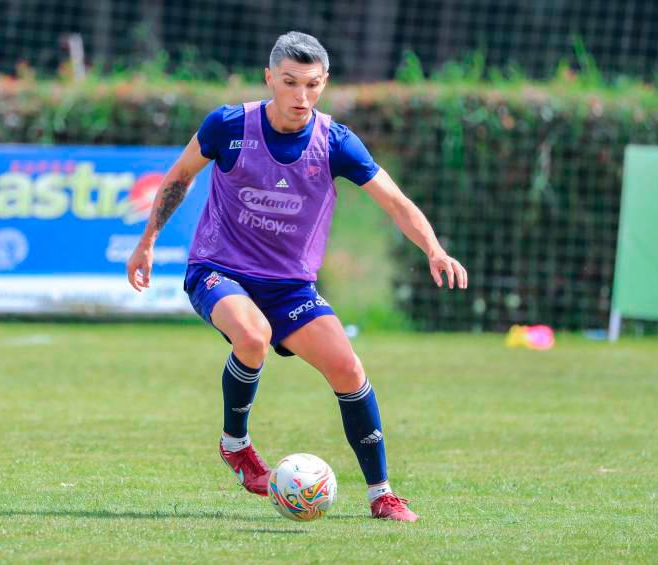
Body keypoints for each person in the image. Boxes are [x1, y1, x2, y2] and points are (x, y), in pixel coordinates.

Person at [127, 31, 467, 522]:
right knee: (252, 337)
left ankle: (382, 494)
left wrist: (434, 248)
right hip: (218, 269)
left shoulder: (336, 142)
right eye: (290, 82)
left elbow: (394, 202)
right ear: (270, 78)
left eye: (312, 84)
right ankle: (236, 445)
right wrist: (147, 242)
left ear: (324, 82)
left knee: (348, 369)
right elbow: (181, 175)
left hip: (290, 288)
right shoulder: (228, 125)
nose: (301, 96)